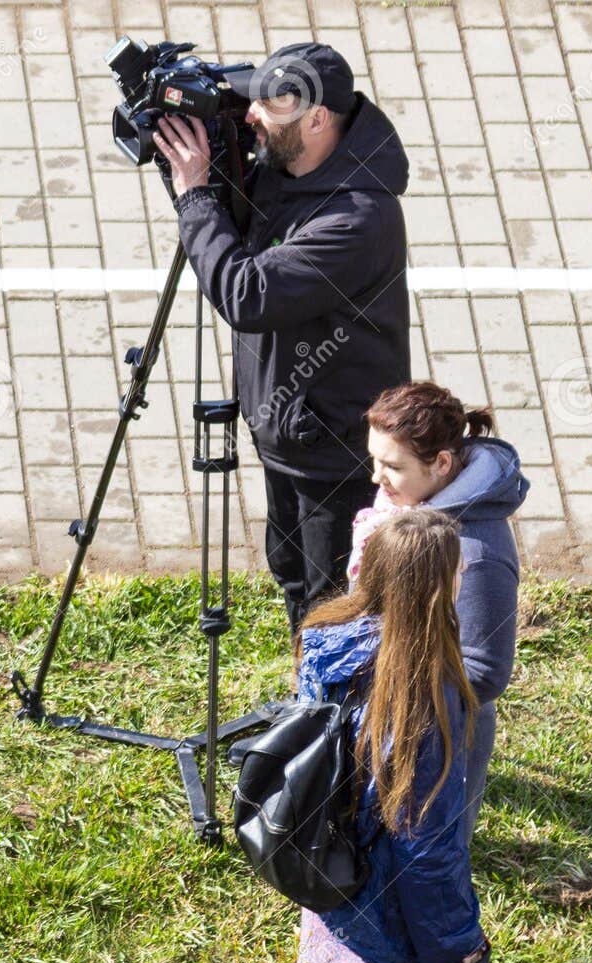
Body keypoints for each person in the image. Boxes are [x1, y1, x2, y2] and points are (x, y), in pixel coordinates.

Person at [156, 43, 411, 632]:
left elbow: (245, 293)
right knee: (291, 573)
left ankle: (334, 714)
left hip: (333, 451)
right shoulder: (289, 165)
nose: (251, 119)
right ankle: (308, 696)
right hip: (288, 429)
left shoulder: (355, 218)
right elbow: (231, 227)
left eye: (266, 109)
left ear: (317, 118)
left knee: (334, 603)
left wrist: (194, 191)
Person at [290, 508, 488, 963]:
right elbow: (424, 847)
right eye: (456, 571)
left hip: (328, 867)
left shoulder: (326, 635)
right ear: (434, 593)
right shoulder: (427, 699)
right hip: (386, 910)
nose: (463, 576)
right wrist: (459, 941)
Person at [353, 382, 528, 844]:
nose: (377, 478)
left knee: (431, 855)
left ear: (443, 464)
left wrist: (400, 684)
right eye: (375, 460)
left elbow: (485, 671)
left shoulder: (476, 552)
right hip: (387, 699)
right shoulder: (407, 505)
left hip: (442, 732)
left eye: (392, 466)